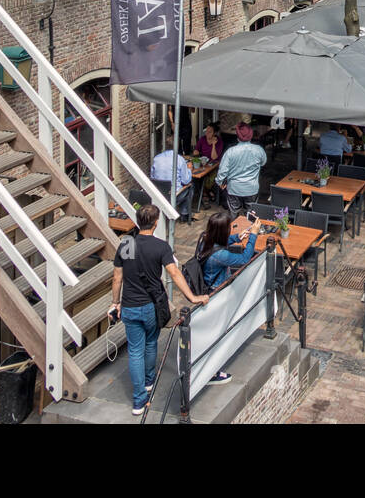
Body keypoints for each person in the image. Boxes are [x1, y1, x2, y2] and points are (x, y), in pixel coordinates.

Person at [109, 204, 210, 414]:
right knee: (151, 342)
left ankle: (139, 401)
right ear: (155, 223)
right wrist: (192, 297)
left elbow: (117, 277)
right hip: (150, 306)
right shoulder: (160, 246)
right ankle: (149, 381)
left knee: (135, 351)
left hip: (129, 305)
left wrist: (115, 303)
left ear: (138, 222)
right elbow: (174, 273)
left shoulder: (126, 243)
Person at [197, 210, 261, 292]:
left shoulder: (205, 237)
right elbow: (245, 259)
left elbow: (217, 242)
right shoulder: (221, 255)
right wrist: (253, 234)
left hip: (209, 278)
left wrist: (237, 237)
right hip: (217, 288)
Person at [215, 122, 268, 214]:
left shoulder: (230, 152)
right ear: (251, 135)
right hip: (251, 188)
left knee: (233, 215)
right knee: (251, 216)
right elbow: (263, 163)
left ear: (237, 135)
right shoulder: (259, 150)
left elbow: (222, 171)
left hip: (234, 188)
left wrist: (219, 182)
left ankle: (233, 228)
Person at [151, 145, 195, 224]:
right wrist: (189, 169)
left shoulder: (156, 158)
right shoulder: (179, 159)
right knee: (191, 186)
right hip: (174, 196)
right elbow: (186, 180)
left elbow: (152, 177)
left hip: (159, 194)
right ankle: (184, 214)